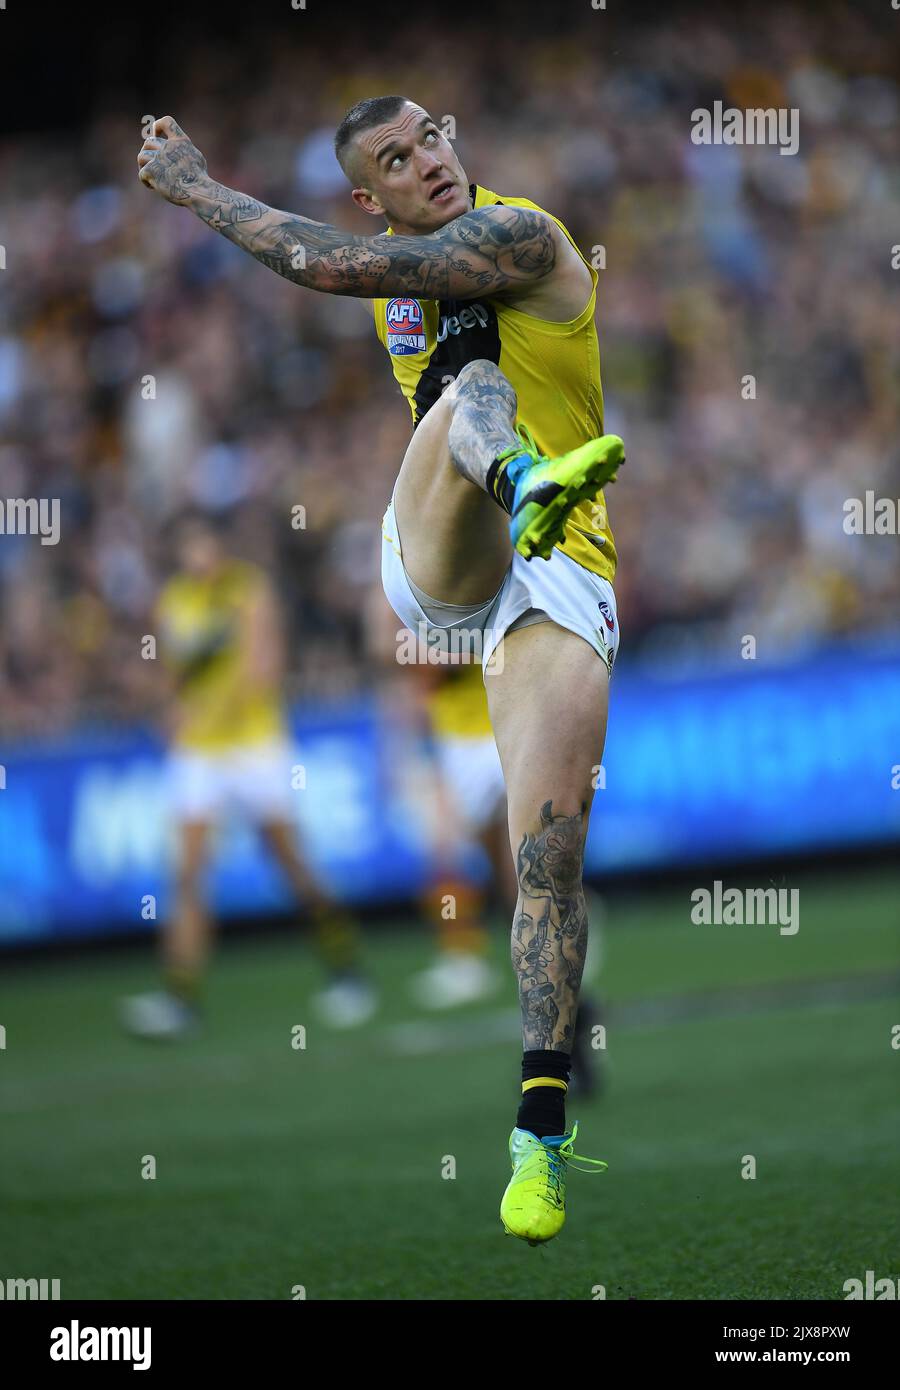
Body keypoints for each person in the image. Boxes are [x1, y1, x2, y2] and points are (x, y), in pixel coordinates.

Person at [137, 98, 623, 1243]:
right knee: (470, 395)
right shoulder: (406, 290)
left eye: (433, 138)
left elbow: (337, 263)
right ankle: (522, 480)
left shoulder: (525, 237)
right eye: (397, 161)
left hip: (560, 575)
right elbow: (357, 273)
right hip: (449, 557)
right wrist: (201, 189)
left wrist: (200, 189)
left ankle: (538, 1137)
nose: (431, 162)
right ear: (375, 193)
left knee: (547, 858)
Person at [121, 510, 376, 1039]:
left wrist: (204, 705)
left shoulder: (250, 591)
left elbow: (263, 668)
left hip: (255, 744)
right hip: (200, 753)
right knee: (188, 873)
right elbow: (169, 678)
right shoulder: (174, 603)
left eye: (205, 545)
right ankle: (181, 997)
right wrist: (167, 707)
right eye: (189, 549)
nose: (199, 557)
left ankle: (346, 967)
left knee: (289, 861)